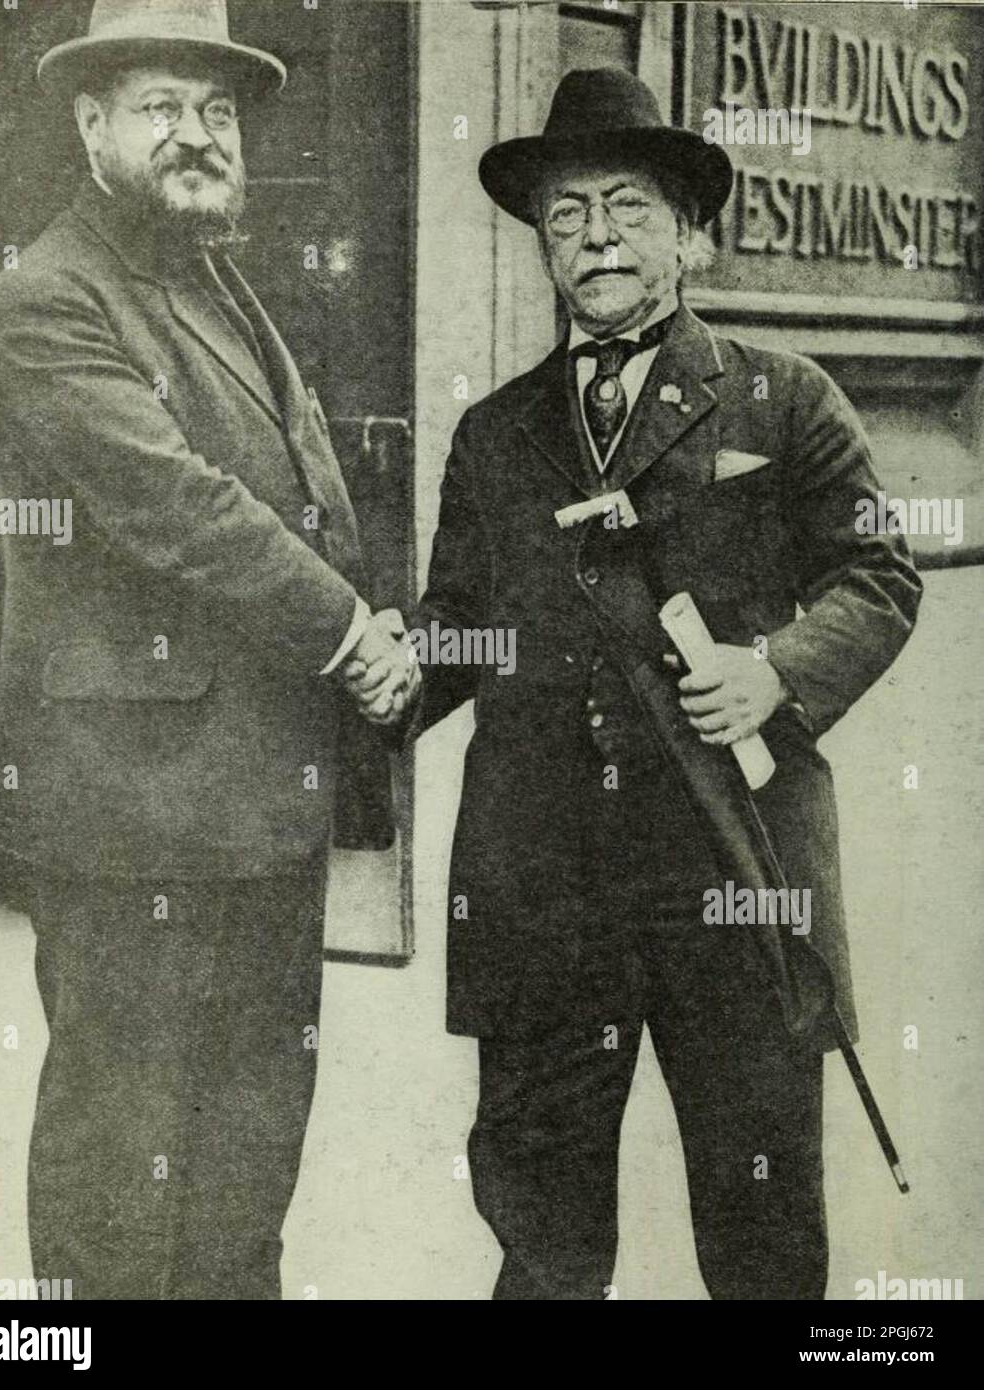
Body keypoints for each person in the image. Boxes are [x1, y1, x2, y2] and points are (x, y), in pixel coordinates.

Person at [412, 66, 922, 1300]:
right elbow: (460, 624)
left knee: (761, 1235)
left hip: (732, 871)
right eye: (567, 212)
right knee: (540, 1237)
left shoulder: (784, 397)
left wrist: (774, 674)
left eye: (628, 205)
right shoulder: (496, 431)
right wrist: (380, 660)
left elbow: (879, 574)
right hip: (542, 891)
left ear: (688, 233)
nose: (595, 236)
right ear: (542, 242)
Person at [0, 0, 418, 1300]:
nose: (198, 134)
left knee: (241, 1183)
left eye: (217, 110)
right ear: (91, 121)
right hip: (130, 822)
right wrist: (352, 633)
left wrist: (379, 630)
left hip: (255, 817)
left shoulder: (211, 279)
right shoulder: (46, 298)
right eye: (162, 105)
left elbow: (305, 489)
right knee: (119, 1193)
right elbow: (186, 510)